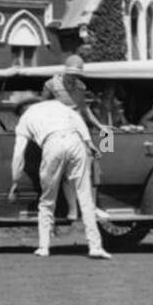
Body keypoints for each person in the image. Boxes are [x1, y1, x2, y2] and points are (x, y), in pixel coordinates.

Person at [11, 95, 112, 260]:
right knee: (85, 198)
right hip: (74, 141)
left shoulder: (25, 119)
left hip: (53, 144)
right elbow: (78, 120)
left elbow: (18, 154)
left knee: (47, 199)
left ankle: (44, 247)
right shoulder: (56, 105)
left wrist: (15, 181)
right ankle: (95, 246)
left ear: (21, 110)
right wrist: (88, 143)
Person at [42, 54, 109, 222]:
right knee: (65, 170)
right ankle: (72, 209)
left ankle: (90, 207)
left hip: (79, 131)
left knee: (87, 167)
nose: (73, 78)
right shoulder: (51, 85)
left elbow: (84, 109)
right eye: (71, 74)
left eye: (76, 75)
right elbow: (42, 108)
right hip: (58, 130)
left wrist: (99, 126)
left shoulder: (80, 87)